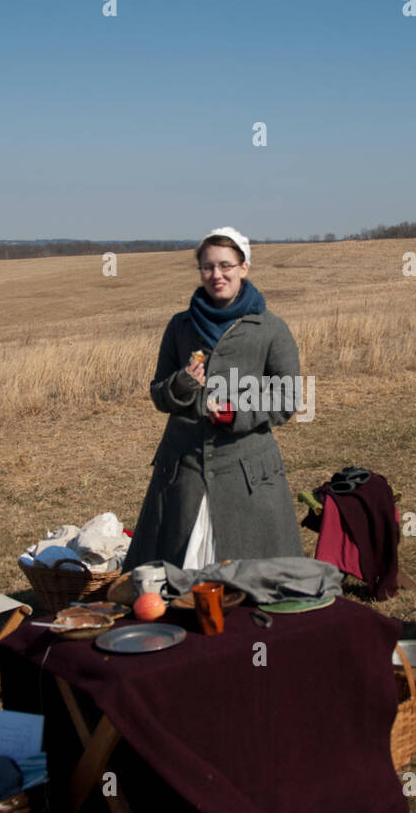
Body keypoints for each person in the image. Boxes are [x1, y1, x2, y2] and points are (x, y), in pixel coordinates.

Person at [124, 226, 304, 571]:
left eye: (226, 265)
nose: (216, 274)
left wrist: (238, 413)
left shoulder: (270, 328)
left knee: (254, 582)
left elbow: (288, 396)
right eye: (207, 267)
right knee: (171, 585)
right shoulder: (180, 326)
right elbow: (159, 393)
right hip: (184, 468)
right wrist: (181, 384)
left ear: (244, 267)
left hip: (247, 470)